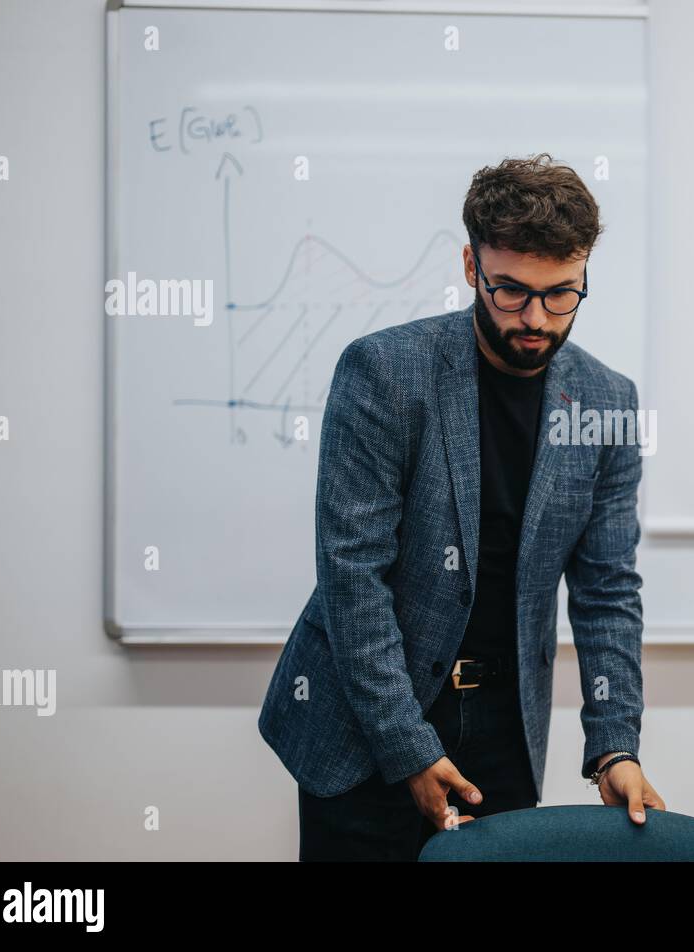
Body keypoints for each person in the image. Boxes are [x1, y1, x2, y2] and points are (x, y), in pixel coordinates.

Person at [259, 154, 663, 861]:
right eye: (510, 291)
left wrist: (613, 746)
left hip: (504, 729)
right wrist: (409, 746)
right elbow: (354, 577)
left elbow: (607, 590)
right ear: (472, 266)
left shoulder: (608, 402)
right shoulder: (384, 374)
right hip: (363, 723)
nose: (535, 318)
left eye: (562, 294)